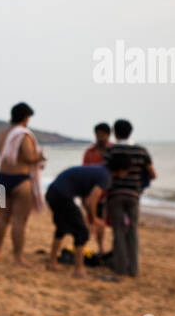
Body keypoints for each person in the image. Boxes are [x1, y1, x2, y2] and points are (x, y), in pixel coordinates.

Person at [45, 155, 129, 278]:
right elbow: (92, 200)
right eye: (127, 170)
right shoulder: (105, 177)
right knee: (82, 232)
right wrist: (94, 219)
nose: (126, 173)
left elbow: (85, 199)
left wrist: (89, 217)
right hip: (61, 195)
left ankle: (52, 262)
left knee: (61, 227)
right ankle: (79, 270)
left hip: (53, 192)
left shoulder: (100, 170)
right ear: (121, 170)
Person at [0, 102, 45, 267]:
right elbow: (28, 157)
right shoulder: (24, 134)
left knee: (1, 218)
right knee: (19, 221)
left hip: (1, 179)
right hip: (20, 180)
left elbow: (5, 155)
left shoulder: (2, 134)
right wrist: (40, 157)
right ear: (25, 117)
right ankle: (17, 258)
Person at [104, 119, 155, 277]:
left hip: (115, 195)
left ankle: (120, 267)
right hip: (134, 195)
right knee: (133, 231)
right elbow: (152, 174)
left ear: (115, 132)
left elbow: (105, 173)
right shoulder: (141, 151)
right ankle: (134, 269)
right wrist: (140, 185)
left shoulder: (111, 151)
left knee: (118, 231)